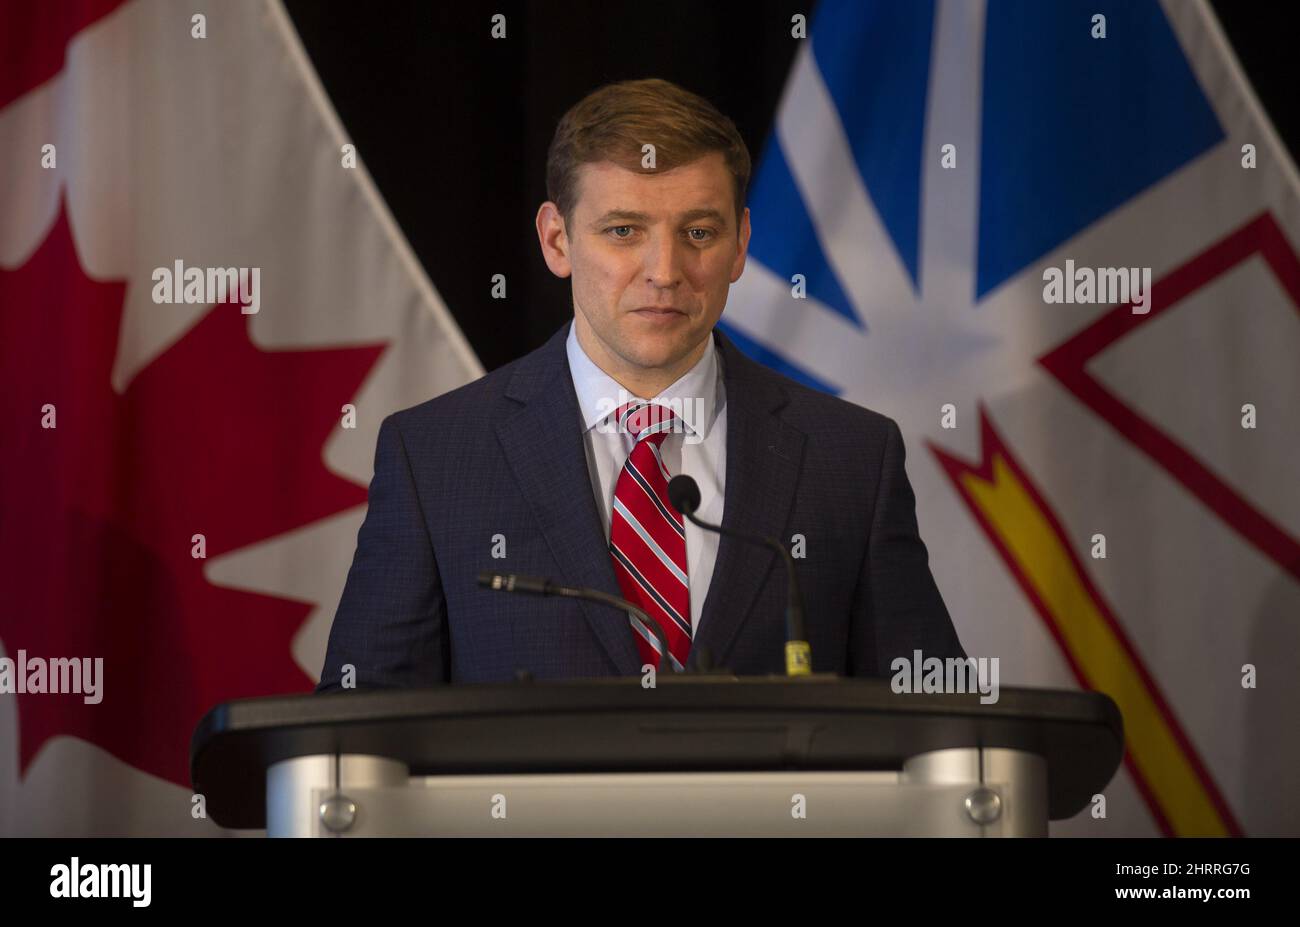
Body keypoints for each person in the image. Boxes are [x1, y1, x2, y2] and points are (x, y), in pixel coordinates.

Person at [317, 78, 964, 689]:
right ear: (556, 240)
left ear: (740, 244)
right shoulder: (435, 457)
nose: (665, 270)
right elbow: (359, 731)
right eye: (624, 230)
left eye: (699, 232)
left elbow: (935, 720)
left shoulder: (851, 458)